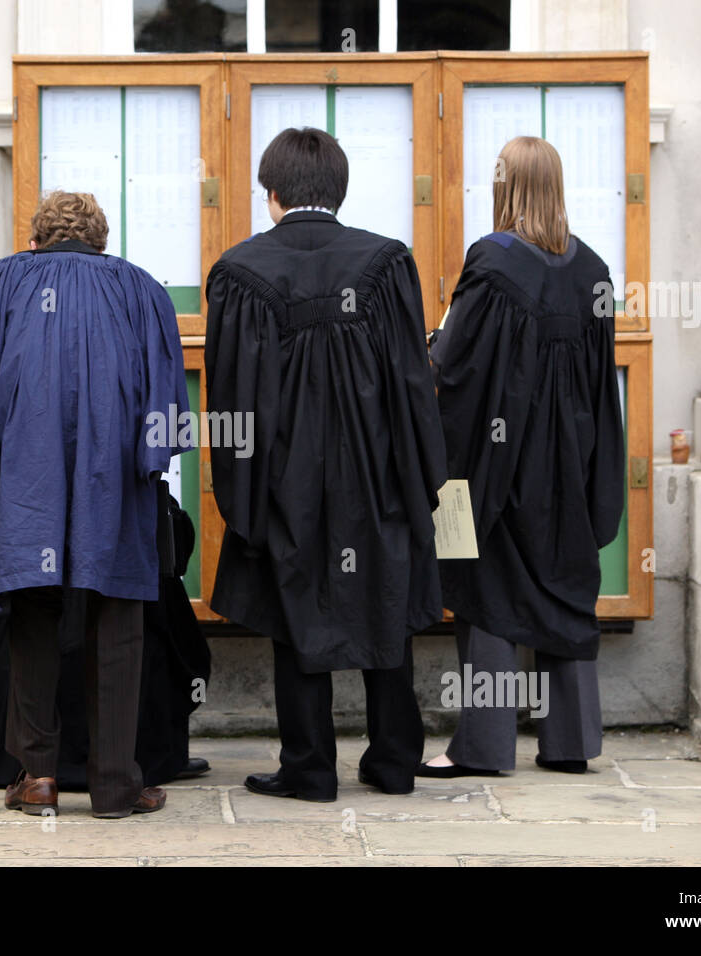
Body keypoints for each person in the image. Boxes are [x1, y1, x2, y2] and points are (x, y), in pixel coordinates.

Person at [204, 127, 447, 803]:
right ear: (338, 190)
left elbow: (231, 401)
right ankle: (395, 761)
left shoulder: (239, 272)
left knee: (295, 609)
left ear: (272, 193)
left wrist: (242, 498)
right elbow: (411, 382)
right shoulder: (388, 263)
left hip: (288, 479)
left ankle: (309, 767)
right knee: (386, 601)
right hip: (377, 473)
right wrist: (423, 475)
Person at [0, 190, 190, 818]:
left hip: (29, 478)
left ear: (37, 238)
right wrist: (154, 459)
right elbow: (166, 393)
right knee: (118, 622)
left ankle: (40, 777)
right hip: (115, 478)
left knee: (30, 618)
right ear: (101, 240)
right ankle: (114, 784)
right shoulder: (140, 289)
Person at [420, 135, 625, 778]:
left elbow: (456, 365)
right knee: (566, 584)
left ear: (505, 187)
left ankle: (482, 745)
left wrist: (429, 345)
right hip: (569, 461)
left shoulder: (494, 261)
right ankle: (570, 741)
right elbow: (599, 382)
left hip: (499, 461)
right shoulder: (593, 270)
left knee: (489, 590)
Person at [0, 489, 211, 788]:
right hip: (103, 497)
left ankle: (37, 774)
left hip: (36, 498)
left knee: (30, 605)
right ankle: (115, 777)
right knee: (116, 610)